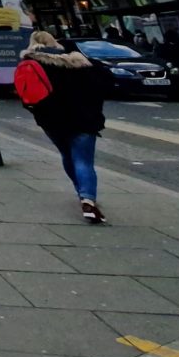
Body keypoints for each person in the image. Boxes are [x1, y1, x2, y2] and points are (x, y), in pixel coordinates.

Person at [17, 30, 110, 223]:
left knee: (68, 155)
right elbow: (103, 84)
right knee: (84, 161)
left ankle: (81, 192)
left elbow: (27, 94)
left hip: (52, 120)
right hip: (84, 118)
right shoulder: (80, 62)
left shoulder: (31, 64)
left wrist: (39, 111)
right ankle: (87, 199)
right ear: (55, 43)